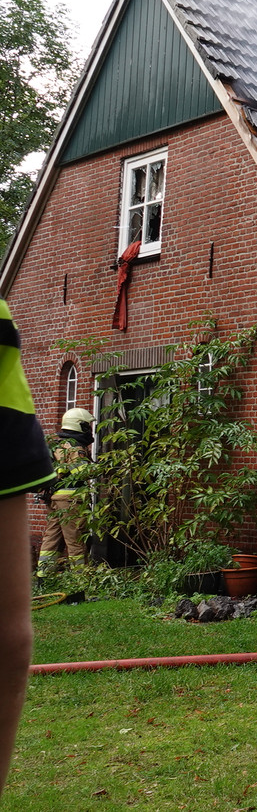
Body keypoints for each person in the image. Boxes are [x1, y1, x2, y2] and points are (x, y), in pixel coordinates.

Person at [0, 300, 50, 795]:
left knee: (60, 546)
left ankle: (58, 573)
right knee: (65, 545)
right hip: (65, 503)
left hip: (58, 501)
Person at [36, 408, 92, 576]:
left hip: (53, 497)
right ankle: (80, 579)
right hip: (70, 499)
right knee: (76, 539)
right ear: (79, 425)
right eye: (87, 425)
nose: (89, 429)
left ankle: (44, 577)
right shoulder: (75, 447)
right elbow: (83, 472)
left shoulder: (57, 444)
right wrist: (104, 468)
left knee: (51, 538)